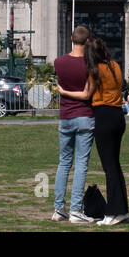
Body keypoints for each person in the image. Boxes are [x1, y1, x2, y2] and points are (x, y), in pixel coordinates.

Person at [57, 34, 129, 226]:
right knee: (116, 164)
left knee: (109, 167)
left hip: (103, 116)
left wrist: (64, 92)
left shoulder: (95, 70)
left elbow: (85, 94)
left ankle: (113, 212)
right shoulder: (115, 66)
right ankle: (123, 209)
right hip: (118, 116)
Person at [52, 26, 96, 222]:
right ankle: (76, 209)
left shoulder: (59, 62)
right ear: (87, 41)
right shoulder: (90, 64)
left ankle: (59, 208)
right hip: (85, 115)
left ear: (71, 39)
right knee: (81, 164)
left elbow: (62, 85)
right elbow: (87, 94)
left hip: (66, 117)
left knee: (64, 163)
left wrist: (63, 93)